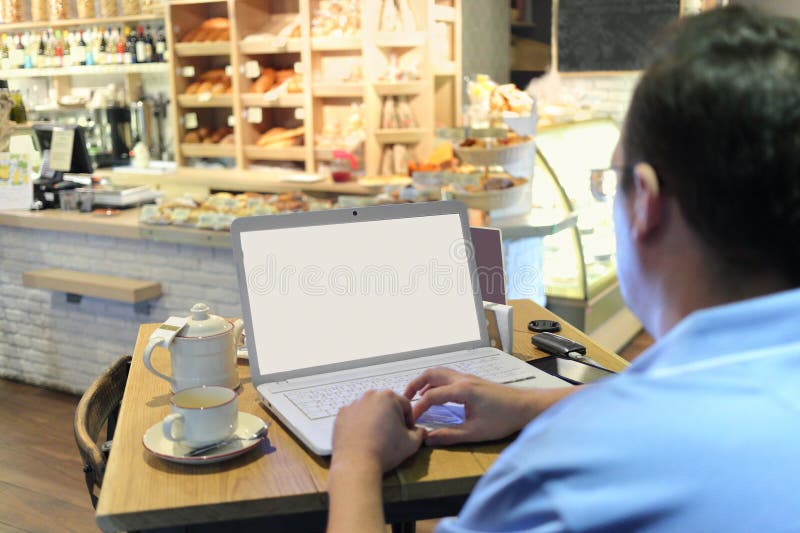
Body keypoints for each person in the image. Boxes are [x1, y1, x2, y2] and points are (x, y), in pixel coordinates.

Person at [327, 6, 800, 532]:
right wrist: (529, 403)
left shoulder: (569, 475)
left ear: (645, 202)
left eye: (609, 180)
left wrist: (355, 462)